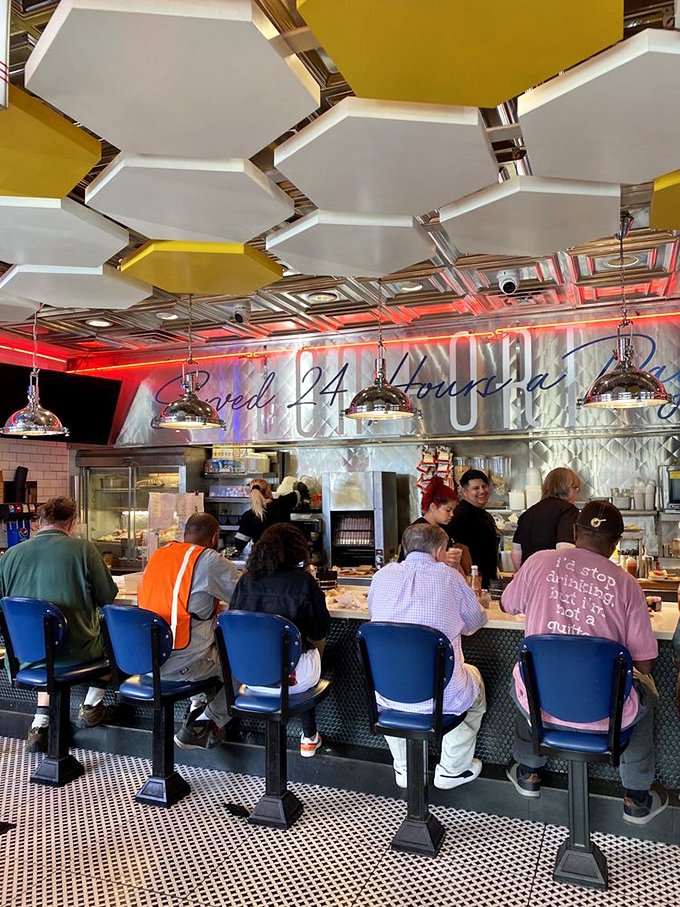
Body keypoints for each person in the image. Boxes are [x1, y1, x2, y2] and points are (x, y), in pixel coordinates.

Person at [501, 500, 667, 826]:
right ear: (616, 542)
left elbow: (508, 603)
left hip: (543, 708)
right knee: (648, 693)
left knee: (522, 678)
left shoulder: (539, 562)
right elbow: (645, 664)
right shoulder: (627, 585)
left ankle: (529, 771)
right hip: (604, 714)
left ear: (575, 531)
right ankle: (636, 796)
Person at [368, 522, 487, 790]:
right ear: (439, 550)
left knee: (395, 695)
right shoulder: (449, 576)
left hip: (386, 694)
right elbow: (475, 622)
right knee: (473, 684)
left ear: (405, 548)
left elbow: (375, 619)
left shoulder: (382, 575)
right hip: (441, 696)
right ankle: (452, 769)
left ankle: (404, 766)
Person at [0, 496, 118, 753]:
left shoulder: (10, 555)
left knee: (44, 650)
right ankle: (92, 706)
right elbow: (108, 598)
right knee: (114, 640)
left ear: (38, 522)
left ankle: (40, 723)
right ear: (72, 522)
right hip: (75, 653)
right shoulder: (84, 550)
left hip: (24, 656)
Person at [138, 512, 241, 750]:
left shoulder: (159, 555)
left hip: (145, 661)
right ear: (214, 538)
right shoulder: (209, 560)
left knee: (209, 646)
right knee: (242, 668)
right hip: (180, 664)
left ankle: (198, 702)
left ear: (184, 535)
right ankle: (203, 724)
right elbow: (244, 596)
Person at [230, 523, 330, 757]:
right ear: (298, 551)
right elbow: (320, 630)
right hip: (293, 682)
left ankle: (308, 734)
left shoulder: (246, 581)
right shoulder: (304, 582)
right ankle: (308, 735)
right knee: (311, 647)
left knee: (292, 651)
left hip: (249, 679)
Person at [398, 476, 472, 573]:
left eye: (453, 510)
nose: (452, 514)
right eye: (448, 510)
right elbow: (416, 565)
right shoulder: (418, 531)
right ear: (433, 507)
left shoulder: (444, 528)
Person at [511, 467, 580, 569]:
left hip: (529, 575)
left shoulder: (528, 513)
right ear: (568, 489)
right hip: (551, 576)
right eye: (576, 489)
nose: (576, 494)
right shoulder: (568, 510)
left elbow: (516, 552)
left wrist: (523, 573)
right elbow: (564, 547)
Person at [447, 469, 499, 588]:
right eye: (476, 488)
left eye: (484, 486)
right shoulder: (461, 515)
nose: (482, 491)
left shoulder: (484, 514)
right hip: (474, 583)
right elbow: (461, 550)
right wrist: (472, 582)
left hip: (487, 580)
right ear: (464, 492)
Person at [233, 477, 309, 555]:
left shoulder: (248, 515)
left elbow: (239, 544)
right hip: (284, 556)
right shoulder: (282, 503)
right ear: (268, 490)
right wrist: (297, 484)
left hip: (260, 558)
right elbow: (302, 490)